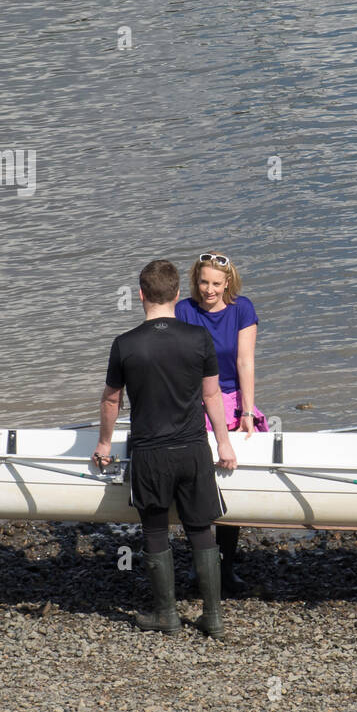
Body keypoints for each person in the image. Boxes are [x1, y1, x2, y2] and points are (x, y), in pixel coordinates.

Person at [96, 259, 238, 637]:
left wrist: (104, 443)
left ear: (141, 295)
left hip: (151, 452)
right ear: (177, 294)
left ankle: (167, 615)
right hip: (193, 448)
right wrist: (224, 443)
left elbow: (112, 401)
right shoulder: (199, 339)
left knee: (156, 531)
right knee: (202, 530)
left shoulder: (125, 345)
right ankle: (213, 617)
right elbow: (212, 396)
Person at [174, 250, 264, 595]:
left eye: (215, 283)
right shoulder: (184, 310)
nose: (208, 290)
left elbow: (245, 363)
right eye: (203, 282)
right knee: (197, 483)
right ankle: (202, 563)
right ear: (195, 281)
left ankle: (227, 565)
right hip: (192, 398)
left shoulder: (243, 309)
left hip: (230, 398)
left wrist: (246, 412)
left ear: (228, 283)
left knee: (231, 480)